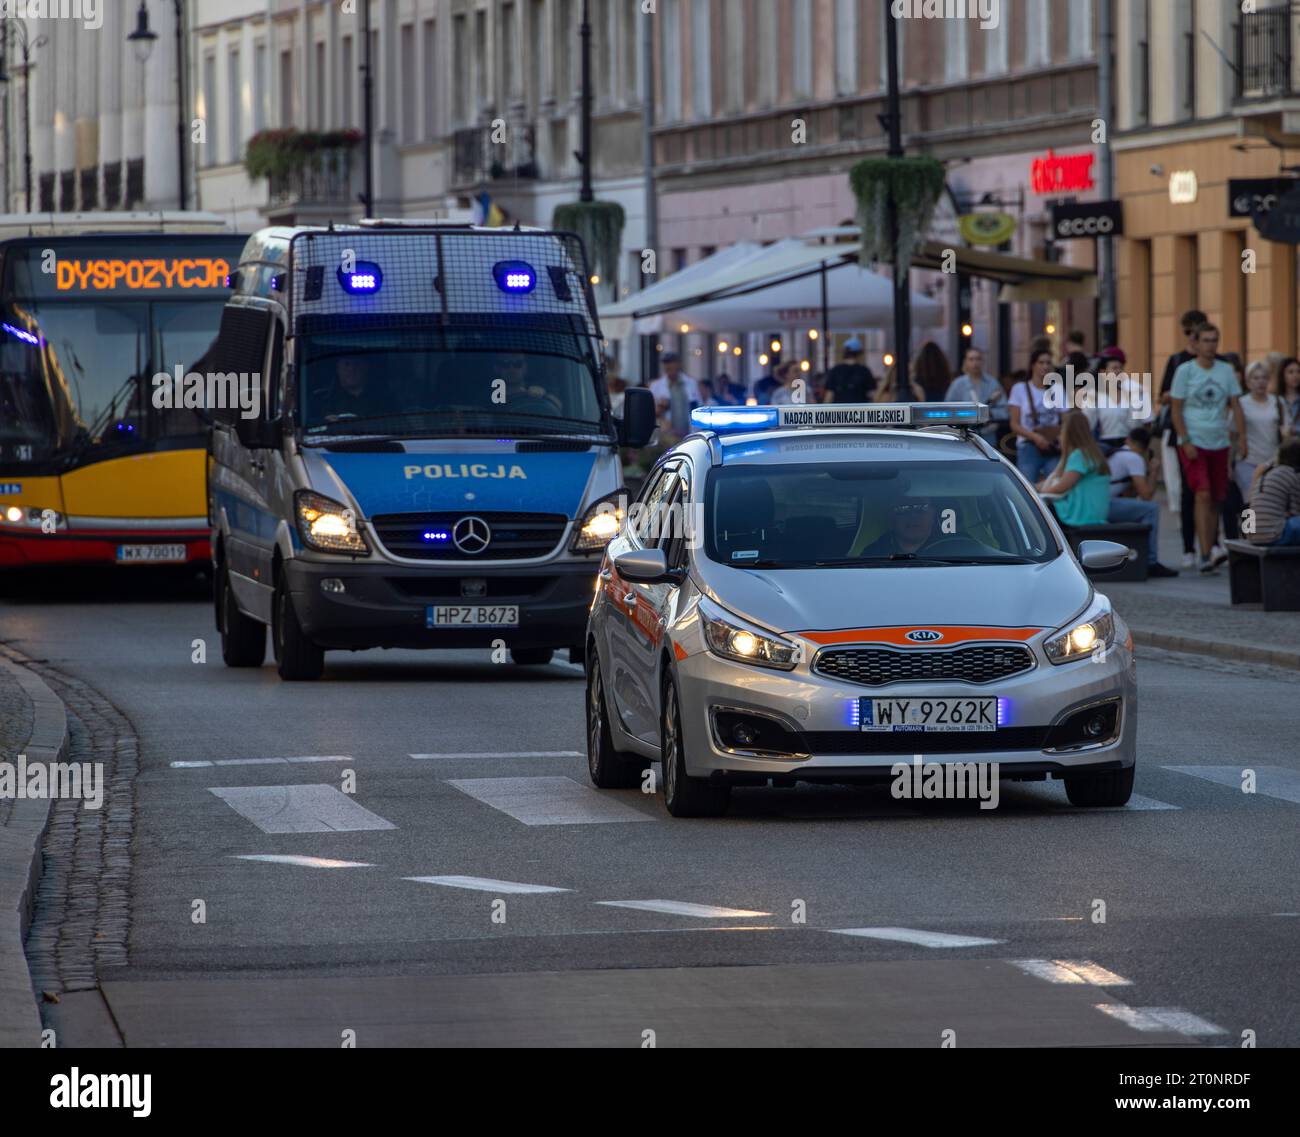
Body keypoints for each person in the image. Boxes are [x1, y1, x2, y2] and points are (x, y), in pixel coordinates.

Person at [1171, 323, 1245, 573]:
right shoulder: (1185, 371)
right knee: (1201, 494)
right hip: (1194, 440)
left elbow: (1236, 405)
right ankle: (1203, 553)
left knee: (1216, 497)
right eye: (1206, 340)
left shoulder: (1226, 370)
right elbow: (1176, 409)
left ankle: (1212, 548)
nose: (1210, 345)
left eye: (1214, 340)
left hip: (1220, 441)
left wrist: (1242, 439)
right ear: (1196, 343)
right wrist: (1185, 439)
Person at [1107, 426, 1178, 577]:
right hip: (1104, 505)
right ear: (1146, 446)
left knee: (1141, 509)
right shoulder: (1134, 458)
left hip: (1099, 503)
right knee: (1151, 509)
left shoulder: (1118, 454)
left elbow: (1130, 495)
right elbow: (1146, 495)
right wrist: (1153, 472)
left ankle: (1137, 555)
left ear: (1128, 440)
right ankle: (1151, 561)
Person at [1040, 411, 1111, 528]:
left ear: (1069, 433)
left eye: (1062, 431)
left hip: (1079, 516)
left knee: (1035, 510)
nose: (1059, 436)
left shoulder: (1079, 455)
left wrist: (1035, 495)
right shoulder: (1091, 453)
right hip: (1095, 516)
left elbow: (1061, 487)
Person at [1234, 359, 1292, 503]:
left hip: (1273, 461)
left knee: (1272, 500)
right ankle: (1250, 526)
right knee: (1252, 499)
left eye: (1264, 378)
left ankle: (1265, 526)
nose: (1260, 382)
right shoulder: (1241, 404)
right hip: (1248, 460)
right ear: (1248, 382)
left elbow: (1287, 428)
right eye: (1256, 378)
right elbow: (1232, 433)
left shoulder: (1278, 402)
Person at [1009, 347, 1062, 483]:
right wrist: (1035, 437)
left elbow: (1066, 418)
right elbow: (1014, 424)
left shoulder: (1057, 389)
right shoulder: (1019, 389)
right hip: (1028, 445)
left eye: (1048, 363)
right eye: (1041, 362)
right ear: (1033, 365)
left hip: (1053, 445)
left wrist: (1062, 437)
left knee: (1054, 487)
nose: (1045, 366)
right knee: (1027, 488)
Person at [944, 346, 1008, 441]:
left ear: (983, 362)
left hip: (988, 435)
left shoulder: (992, 383)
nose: (975, 363)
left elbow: (1005, 411)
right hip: (963, 436)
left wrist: (990, 413)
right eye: (971, 359)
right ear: (965, 362)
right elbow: (947, 410)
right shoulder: (957, 384)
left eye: (978, 359)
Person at [1246, 437, 1300, 546]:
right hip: (1274, 535)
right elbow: (1296, 511)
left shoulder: (1269, 473)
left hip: (1253, 535)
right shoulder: (1293, 475)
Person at [649, 352, 701, 438]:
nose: (668, 366)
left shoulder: (691, 383)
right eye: (666, 363)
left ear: (678, 364)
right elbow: (650, 412)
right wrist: (661, 408)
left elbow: (699, 406)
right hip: (667, 435)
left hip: (689, 433)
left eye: (671, 363)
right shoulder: (656, 386)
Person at [823, 337, 875, 403]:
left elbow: (829, 396)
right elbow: (872, 394)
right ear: (859, 354)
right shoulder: (864, 371)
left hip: (839, 412)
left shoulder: (835, 371)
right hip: (860, 411)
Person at [1275, 355, 1300, 436]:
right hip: (1282, 446)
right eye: (1290, 372)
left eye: (1298, 372)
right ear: (1282, 375)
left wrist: (1296, 429)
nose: (1295, 376)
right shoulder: (1275, 400)